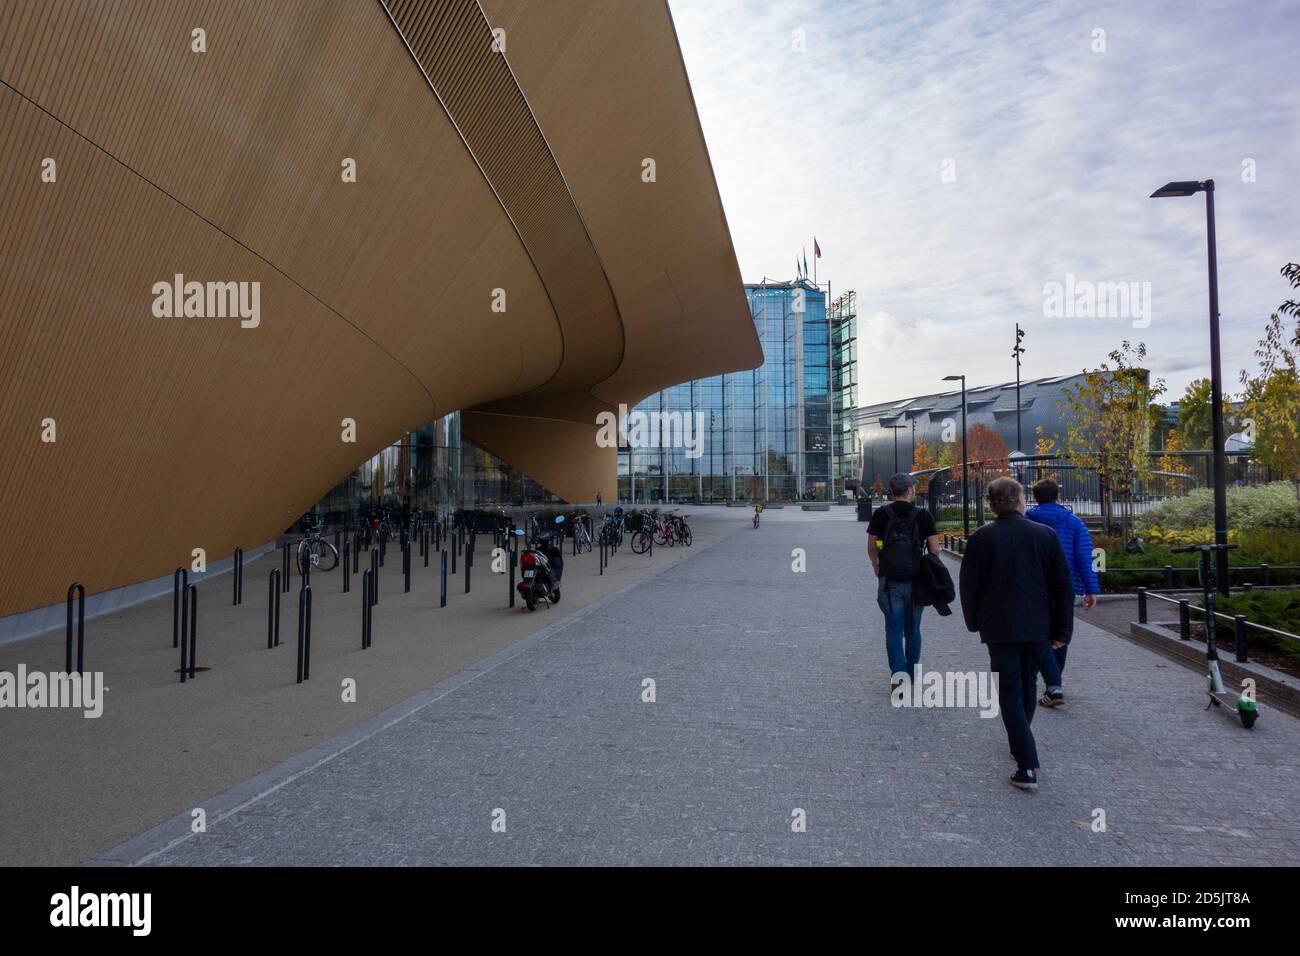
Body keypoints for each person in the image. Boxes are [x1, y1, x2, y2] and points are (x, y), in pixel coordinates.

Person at [959, 477, 1074, 791]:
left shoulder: (982, 538)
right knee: (1026, 685)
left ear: (991, 504)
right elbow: (1063, 587)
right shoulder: (1045, 536)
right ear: (1021, 501)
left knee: (1009, 692)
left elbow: (969, 586)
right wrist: (1063, 629)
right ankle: (1020, 742)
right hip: (1038, 627)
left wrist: (974, 622)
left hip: (999, 629)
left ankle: (1027, 764)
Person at [1026, 477, 1100, 707]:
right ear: (1058, 496)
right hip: (1065, 586)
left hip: (1034, 586)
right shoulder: (1074, 522)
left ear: (1035, 498)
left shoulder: (1027, 520)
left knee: (1038, 632)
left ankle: (1051, 683)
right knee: (1061, 632)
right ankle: (1055, 682)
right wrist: (1091, 589)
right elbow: (1084, 556)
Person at [867, 473, 941, 691]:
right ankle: (911, 675)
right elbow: (935, 548)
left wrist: (876, 566)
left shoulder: (882, 514)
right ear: (910, 490)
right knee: (913, 629)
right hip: (916, 581)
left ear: (892, 491)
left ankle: (898, 679)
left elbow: (871, 545)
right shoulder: (923, 515)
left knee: (893, 630)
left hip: (890, 581)